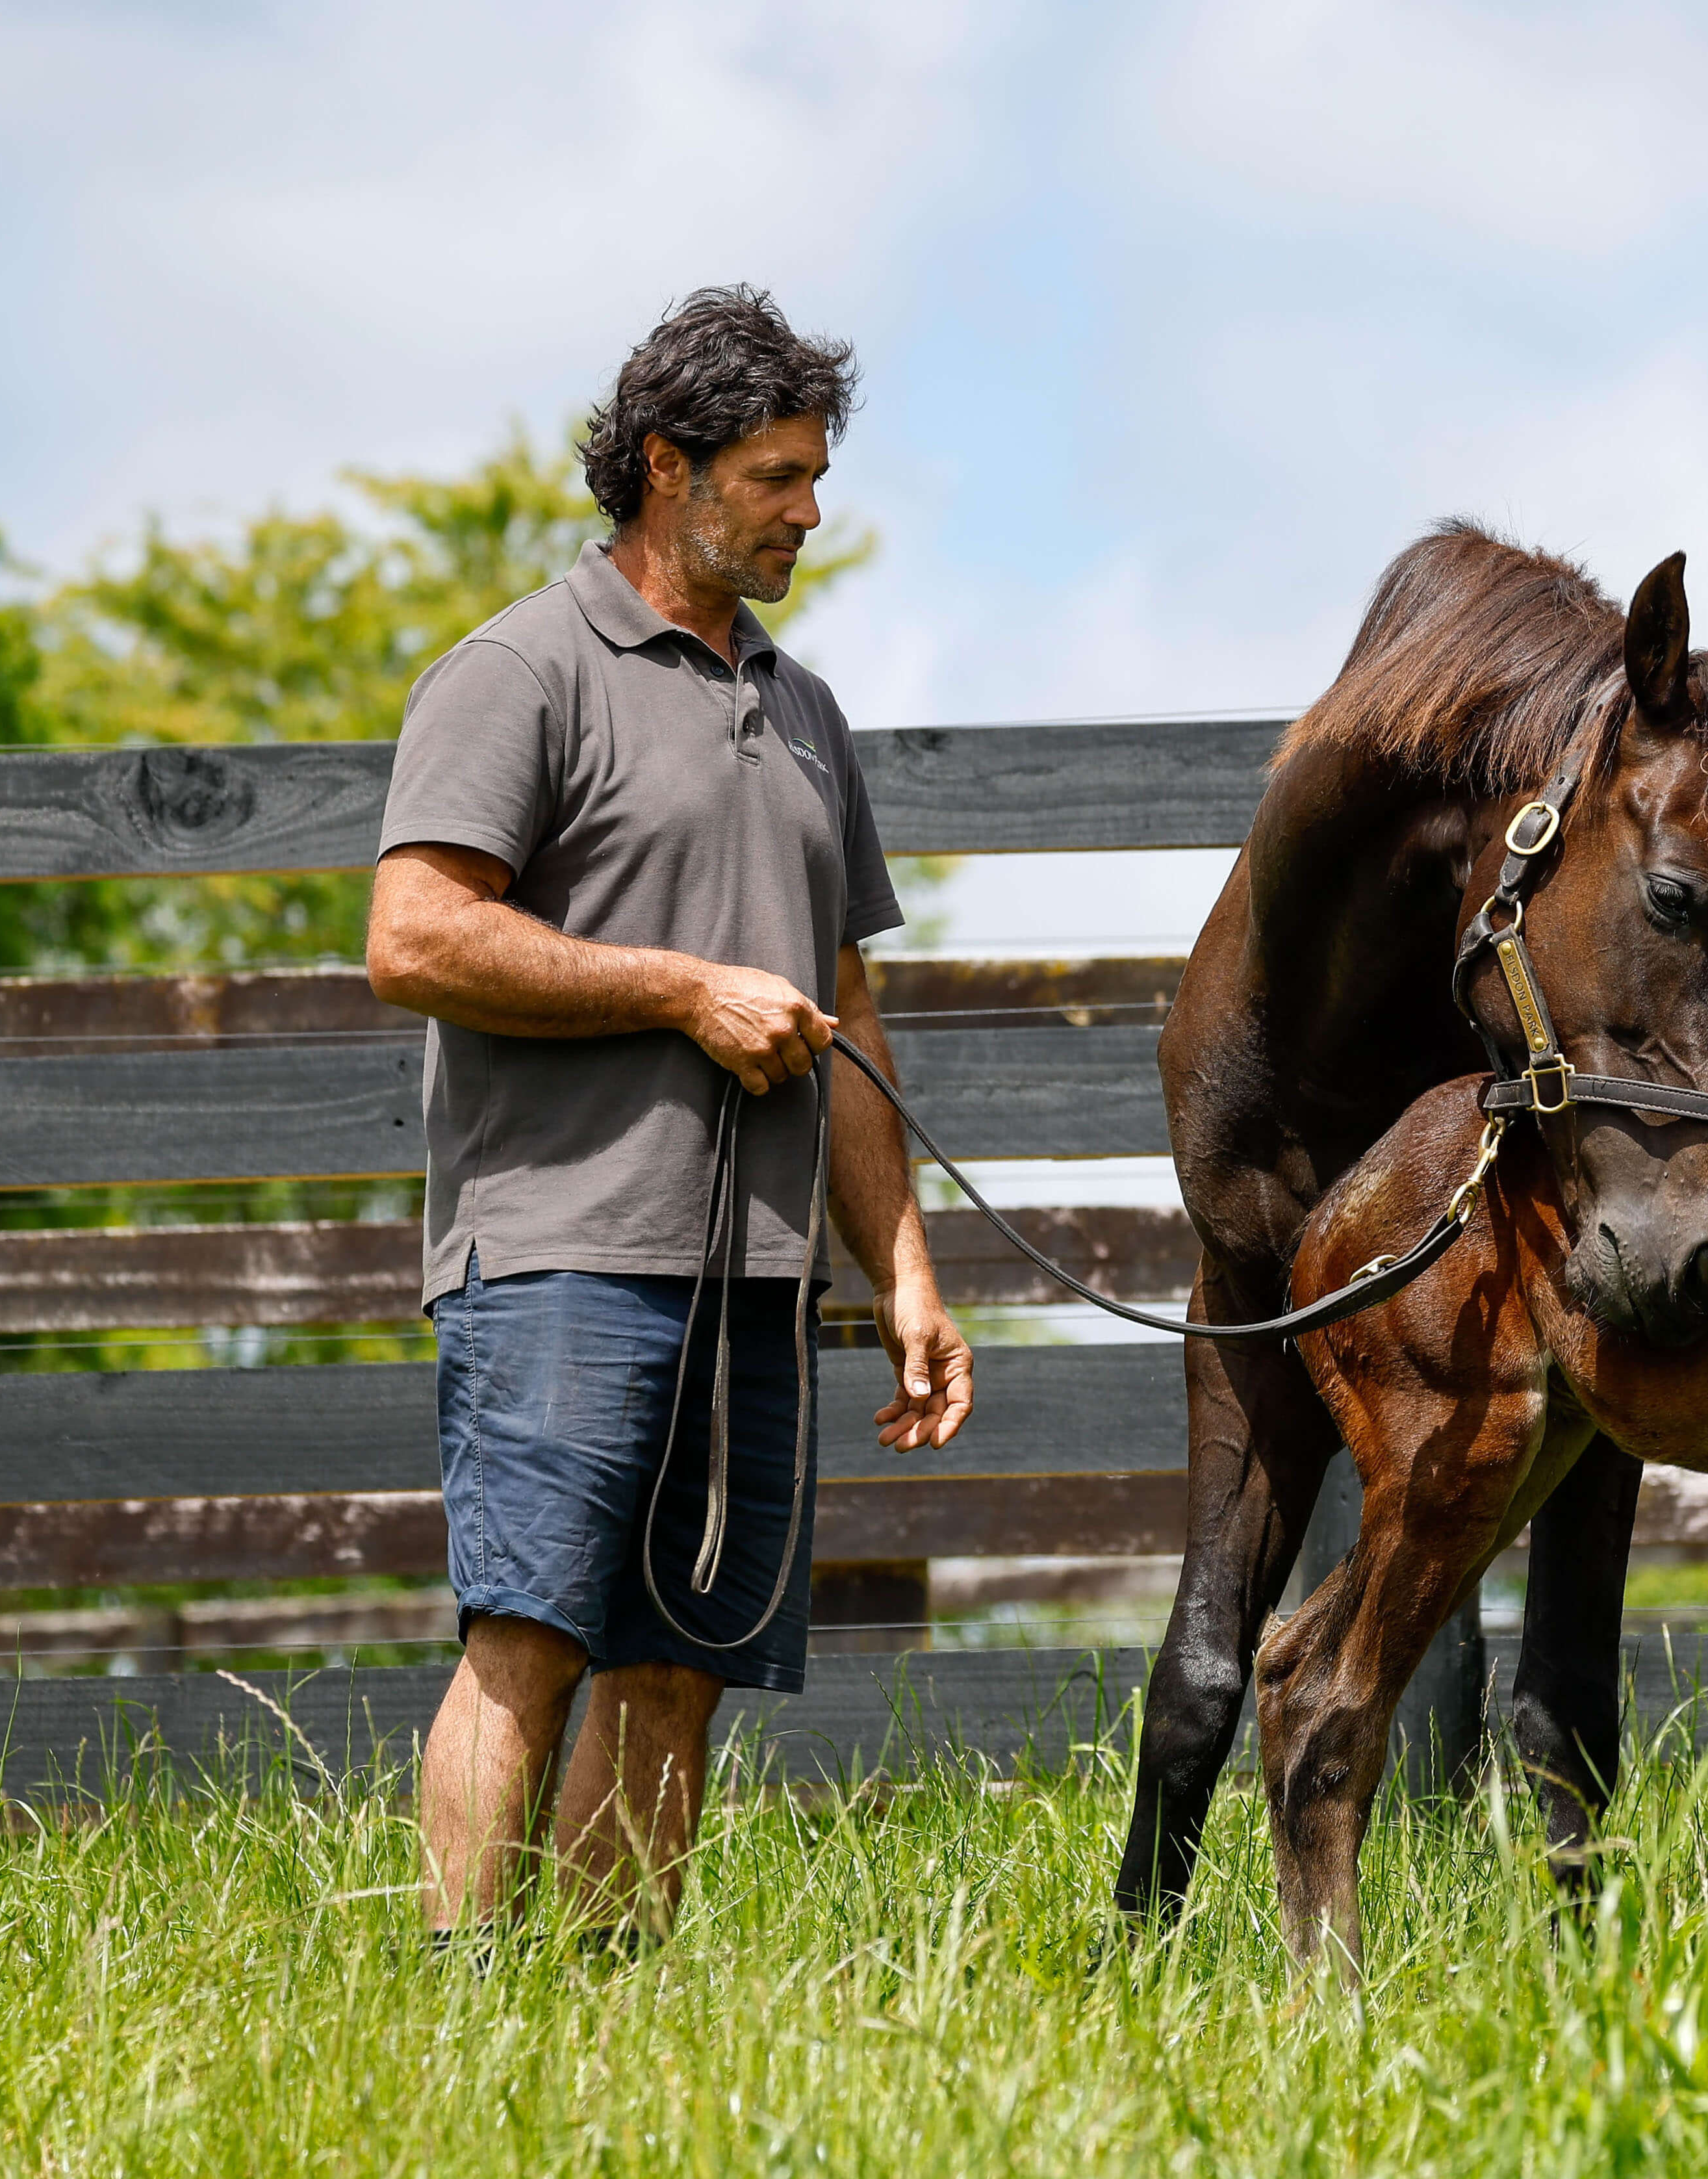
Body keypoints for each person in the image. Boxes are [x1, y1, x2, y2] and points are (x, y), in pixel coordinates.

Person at [369, 286, 974, 1947]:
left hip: (759, 1280)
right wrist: (680, 988)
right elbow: (413, 935)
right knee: (533, 1639)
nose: (808, 510)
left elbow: (847, 1014)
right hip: (561, 1254)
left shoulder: (804, 711)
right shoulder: (521, 669)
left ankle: (603, 2019)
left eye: (813, 475)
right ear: (666, 467)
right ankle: (460, 2011)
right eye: (777, 476)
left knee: (679, 1666)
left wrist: (903, 1272)